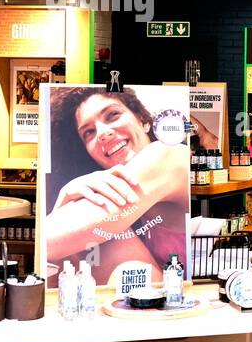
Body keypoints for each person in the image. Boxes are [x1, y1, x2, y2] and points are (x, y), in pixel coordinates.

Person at [45, 87, 189, 287]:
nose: (103, 133)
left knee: (103, 240)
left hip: (198, 303)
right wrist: (68, 193)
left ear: (143, 120)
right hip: (164, 301)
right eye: (89, 132)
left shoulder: (168, 153)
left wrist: (61, 207)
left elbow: (46, 241)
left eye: (112, 115)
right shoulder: (112, 193)